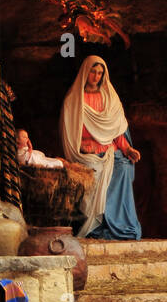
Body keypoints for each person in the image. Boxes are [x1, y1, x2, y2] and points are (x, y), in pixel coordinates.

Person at [59, 55, 141, 240]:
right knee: (95, 170)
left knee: (125, 167)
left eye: (100, 73)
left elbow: (116, 129)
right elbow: (71, 130)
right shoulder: (74, 100)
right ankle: (97, 225)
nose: (96, 76)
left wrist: (127, 149)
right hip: (88, 152)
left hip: (111, 150)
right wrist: (81, 145)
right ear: (85, 73)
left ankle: (120, 224)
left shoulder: (109, 96)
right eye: (93, 72)